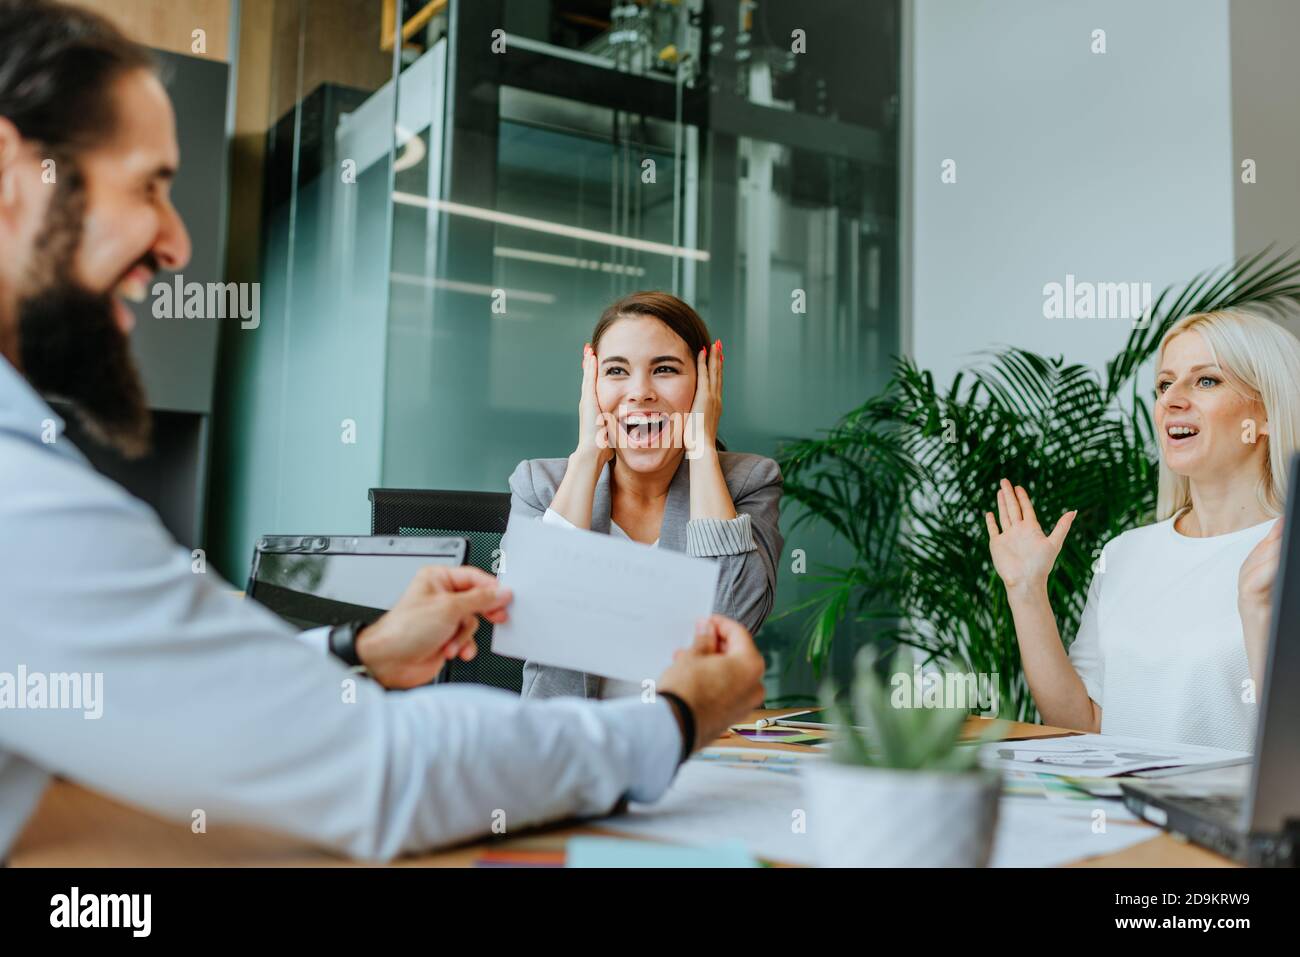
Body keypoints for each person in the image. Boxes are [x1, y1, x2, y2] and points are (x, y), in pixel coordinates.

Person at [0, 0, 764, 861]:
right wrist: (676, 718)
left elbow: (198, 696)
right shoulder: (21, 506)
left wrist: (357, 648)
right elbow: (382, 771)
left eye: (667, 370)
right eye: (149, 185)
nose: (179, 243)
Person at [985, 307, 1298, 750]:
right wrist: (1026, 590)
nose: (1172, 399)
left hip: (1229, 819)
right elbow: (1085, 724)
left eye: (1206, 380)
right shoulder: (1124, 554)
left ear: (1265, 413)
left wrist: (1260, 611)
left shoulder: (1287, 550)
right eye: (1165, 384)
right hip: (1124, 816)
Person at [505, 291, 784, 699]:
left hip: (690, 744)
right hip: (568, 744)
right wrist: (587, 457)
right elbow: (529, 622)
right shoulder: (541, 485)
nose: (640, 392)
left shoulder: (747, 482)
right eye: (617, 371)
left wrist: (702, 447)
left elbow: (733, 620)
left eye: (665, 369)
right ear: (592, 385)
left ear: (705, 381)